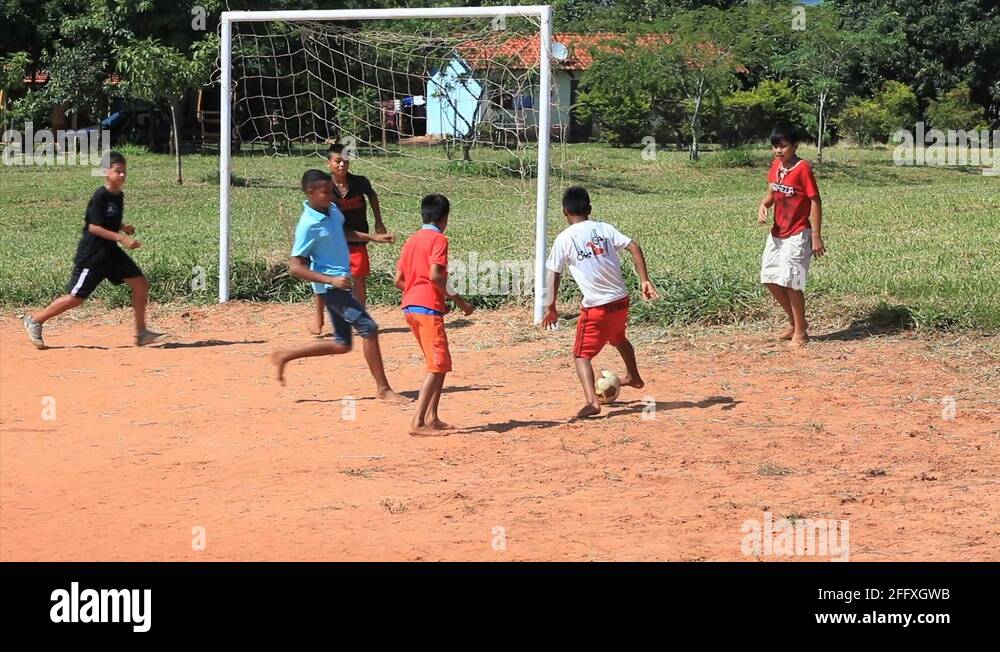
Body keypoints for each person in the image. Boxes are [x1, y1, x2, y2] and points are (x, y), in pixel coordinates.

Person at [270, 169, 408, 404]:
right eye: (325, 192)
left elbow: (342, 233)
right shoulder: (308, 225)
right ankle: (383, 389)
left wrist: (371, 238)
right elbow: (295, 267)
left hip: (340, 285)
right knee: (369, 329)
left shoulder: (332, 210)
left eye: (331, 190)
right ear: (310, 193)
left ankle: (286, 355)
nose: (332, 195)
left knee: (342, 344)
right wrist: (330, 280)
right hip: (332, 289)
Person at [20, 151, 167, 349]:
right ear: (106, 172)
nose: (122, 175)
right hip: (93, 255)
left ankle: (141, 333)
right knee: (76, 298)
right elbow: (94, 227)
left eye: (125, 171)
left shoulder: (118, 196)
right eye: (118, 171)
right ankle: (35, 321)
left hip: (111, 253)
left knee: (140, 283)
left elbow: (108, 220)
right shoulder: (100, 195)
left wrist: (123, 227)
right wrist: (122, 238)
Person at [542, 186, 659, 418]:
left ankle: (592, 402)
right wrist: (644, 280)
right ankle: (633, 377)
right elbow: (634, 246)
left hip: (596, 307)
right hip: (621, 301)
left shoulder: (564, 238)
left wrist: (551, 307)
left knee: (581, 355)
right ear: (590, 209)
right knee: (618, 338)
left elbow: (553, 274)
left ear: (565, 212)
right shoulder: (604, 229)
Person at [394, 194, 474, 436]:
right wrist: (458, 300)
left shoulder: (411, 241)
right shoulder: (439, 240)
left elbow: (399, 281)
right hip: (426, 308)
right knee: (437, 365)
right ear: (445, 218)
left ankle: (432, 417)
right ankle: (418, 422)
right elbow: (435, 275)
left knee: (440, 363)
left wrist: (431, 298)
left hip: (411, 307)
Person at [757, 124, 826, 346]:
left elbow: (815, 200)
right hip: (777, 232)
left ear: (795, 146)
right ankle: (797, 323)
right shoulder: (777, 166)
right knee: (769, 278)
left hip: (798, 233)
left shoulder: (803, 168)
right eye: (775, 146)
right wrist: (764, 204)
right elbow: (772, 191)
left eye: (783, 146)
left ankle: (801, 334)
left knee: (793, 282)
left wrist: (816, 235)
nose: (778, 151)